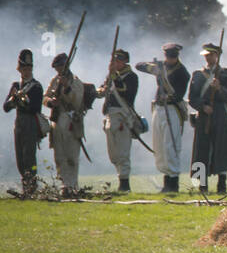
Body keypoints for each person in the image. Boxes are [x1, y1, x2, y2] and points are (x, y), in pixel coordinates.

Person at [135, 43, 190, 193]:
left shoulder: (183, 73)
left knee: (170, 146)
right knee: (159, 145)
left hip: (172, 109)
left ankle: (173, 183)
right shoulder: (160, 66)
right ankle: (167, 180)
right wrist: (153, 69)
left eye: (172, 56)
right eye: (168, 56)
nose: (170, 59)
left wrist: (167, 92)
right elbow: (138, 65)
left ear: (176, 56)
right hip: (158, 108)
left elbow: (177, 95)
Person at [188, 41, 227, 193]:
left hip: (220, 114)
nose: (208, 58)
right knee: (201, 150)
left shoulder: (226, 73)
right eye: (206, 55)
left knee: (221, 148)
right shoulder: (198, 74)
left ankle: (221, 184)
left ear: (217, 55)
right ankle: (201, 185)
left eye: (211, 55)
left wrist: (219, 88)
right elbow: (192, 97)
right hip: (204, 116)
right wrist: (203, 107)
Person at [43, 52, 88, 196]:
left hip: (71, 121)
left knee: (72, 155)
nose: (59, 70)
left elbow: (76, 101)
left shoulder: (75, 81)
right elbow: (45, 97)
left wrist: (67, 87)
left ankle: (72, 185)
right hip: (57, 120)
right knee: (59, 155)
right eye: (57, 67)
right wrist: (51, 102)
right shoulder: (54, 80)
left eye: (61, 66)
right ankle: (64, 185)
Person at [96, 48, 139, 193]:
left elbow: (124, 92)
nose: (116, 62)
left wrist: (114, 76)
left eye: (119, 60)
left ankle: (125, 184)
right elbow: (102, 91)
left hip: (123, 117)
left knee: (123, 152)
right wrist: (101, 89)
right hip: (110, 116)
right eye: (114, 60)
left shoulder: (131, 77)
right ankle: (121, 178)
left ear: (125, 61)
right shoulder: (112, 76)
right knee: (113, 153)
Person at [4, 49, 44, 196]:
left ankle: (31, 186)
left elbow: (35, 108)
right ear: (19, 69)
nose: (26, 71)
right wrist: (14, 99)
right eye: (24, 68)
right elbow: (6, 108)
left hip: (30, 123)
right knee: (20, 157)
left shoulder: (36, 86)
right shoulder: (16, 85)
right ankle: (25, 185)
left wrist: (23, 101)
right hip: (19, 123)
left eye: (29, 68)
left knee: (29, 157)